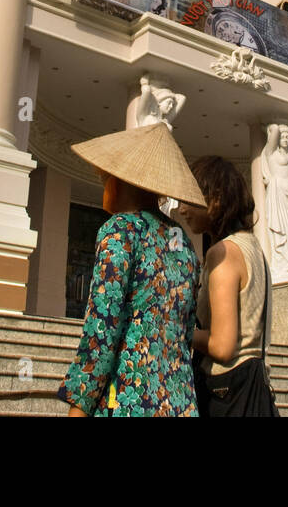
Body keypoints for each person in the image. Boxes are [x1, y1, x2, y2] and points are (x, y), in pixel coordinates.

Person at [57, 122, 206, 416]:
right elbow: (185, 332)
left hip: (128, 400)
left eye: (106, 177)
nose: (103, 185)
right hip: (179, 404)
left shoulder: (120, 231)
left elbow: (101, 331)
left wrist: (79, 406)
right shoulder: (183, 244)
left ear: (122, 181)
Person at [177, 155, 276, 417]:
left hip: (225, 394)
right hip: (253, 387)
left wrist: (173, 326)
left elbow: (222, 346)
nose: (181, 209)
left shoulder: (223, 253)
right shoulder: (253, 248)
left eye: (189, 198)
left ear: (216, 199)